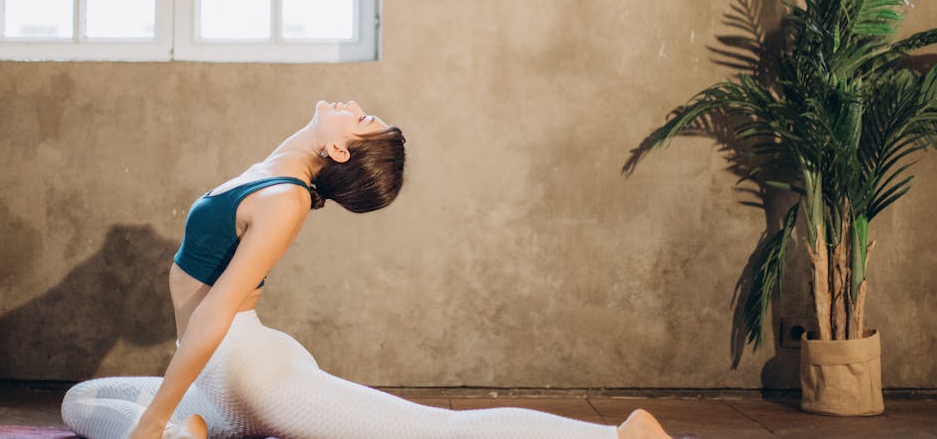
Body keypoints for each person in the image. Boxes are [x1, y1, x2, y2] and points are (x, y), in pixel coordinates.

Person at [62, 100, 675, 439]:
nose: (354, 107)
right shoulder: (279, 171)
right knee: (82, 401)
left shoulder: (287, 199)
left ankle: (618, 438)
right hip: (225, 375)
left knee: (432, 433)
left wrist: (149, 421)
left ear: (337, 149)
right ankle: (188, 431)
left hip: (253, 376)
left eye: (362, 121)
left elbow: (217, 309)